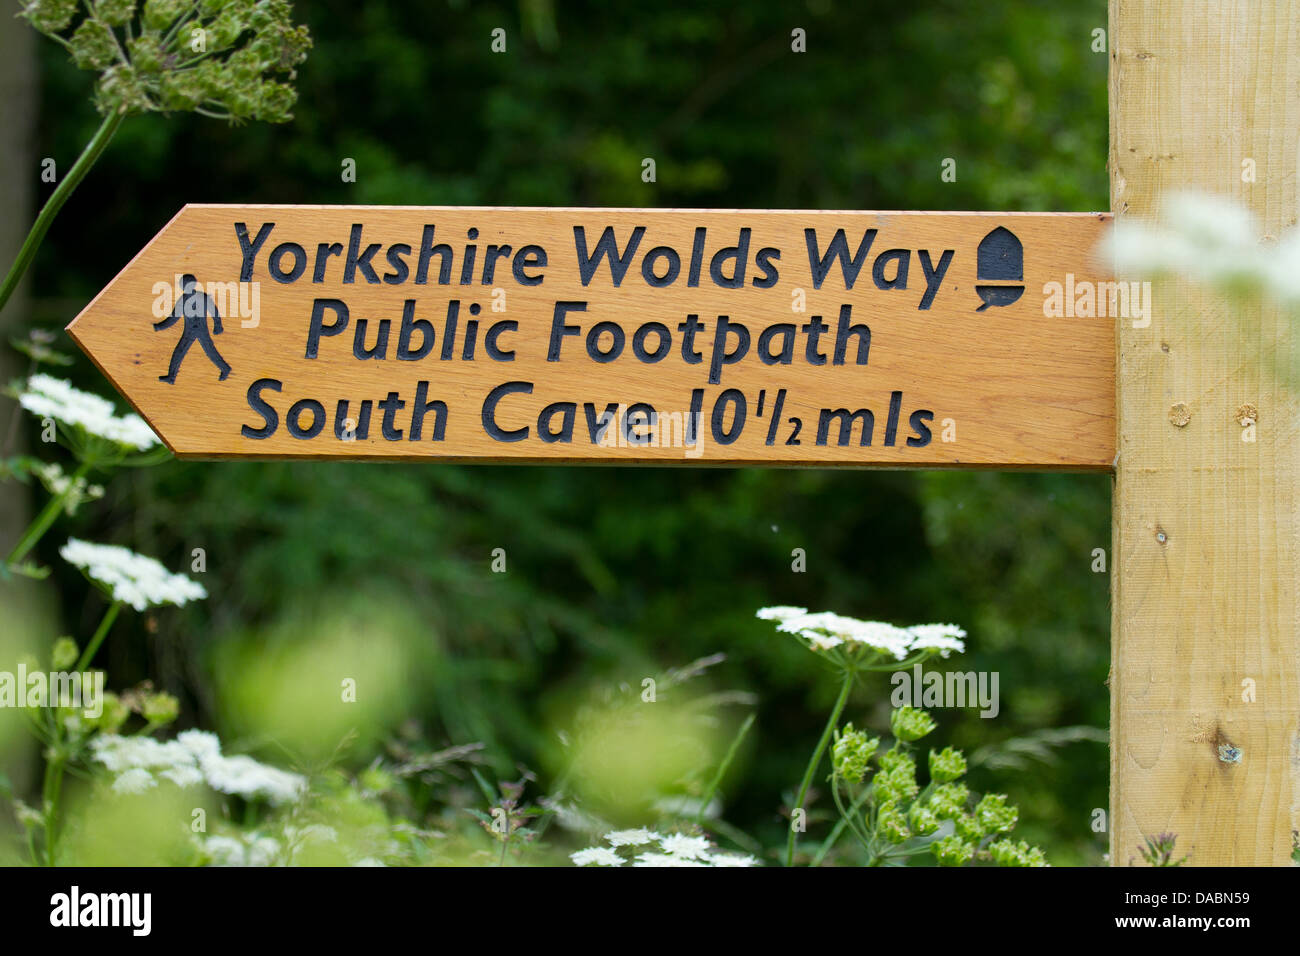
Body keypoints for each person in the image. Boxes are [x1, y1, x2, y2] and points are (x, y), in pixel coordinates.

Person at [155, 274, 231, 383]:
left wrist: (218, 326)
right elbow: (174, 317)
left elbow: (213, 311)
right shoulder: (192, 298)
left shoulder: (194, 298)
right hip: (191, 331)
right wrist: (159, 326)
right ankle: (171, 377)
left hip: (198, 330)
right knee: (182, 351)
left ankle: (225, 369)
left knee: (207, 351)